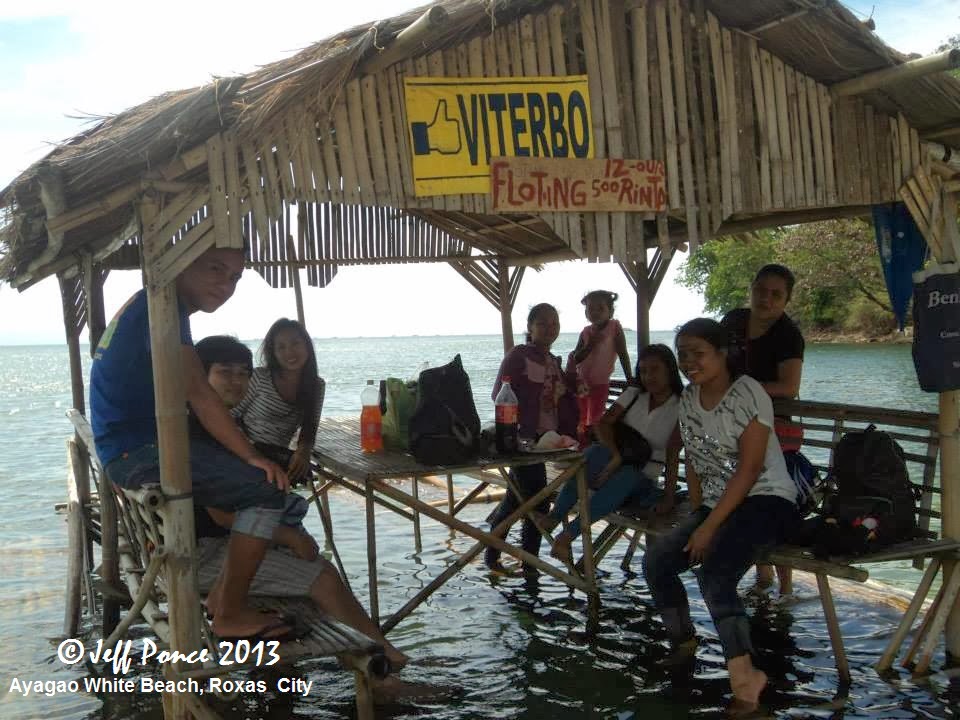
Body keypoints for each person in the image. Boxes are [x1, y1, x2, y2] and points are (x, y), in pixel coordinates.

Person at [90, 246, 302, 642]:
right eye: (215, 269)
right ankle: (229, 612)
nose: (226, 285)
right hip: (135, 450)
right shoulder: (163, 307)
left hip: (125, 444)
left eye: (236, 277)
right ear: (181, 263)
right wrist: (252, 455)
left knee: (258, 481)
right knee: (264, 489)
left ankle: (223, 599)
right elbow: (199, 395)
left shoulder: (156, 302)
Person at [192, 335, 410, 672]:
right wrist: (290, 537)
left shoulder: (202, 425)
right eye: (225, 372)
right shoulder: (207, 436)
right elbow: (221, 517)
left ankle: (371, 656)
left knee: (306, 557)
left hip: (193, 545)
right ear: (199, 377)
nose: (237, 382)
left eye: (243, 374)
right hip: (201, 555)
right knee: (321, 575)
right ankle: (386, 668)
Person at [643, 318, 800, 715]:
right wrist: (700, 516)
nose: (689, 362)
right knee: (658, 561)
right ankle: (684, 643)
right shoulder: (690, 400)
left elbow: (748, 472)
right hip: (720, 505)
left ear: (722, 353)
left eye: (698, 353)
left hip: (767, 501)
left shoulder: (748, 394)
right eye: (682, 356)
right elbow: (695, 463)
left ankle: (746, 677)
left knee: (714, 572)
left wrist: (710, 528)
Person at [534, 344, 683, 564]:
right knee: (592, 454)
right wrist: (616, 456)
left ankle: (567, 535)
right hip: (613, 464)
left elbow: (672, 455)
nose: (648, 376)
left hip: (642, 478)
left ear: (670, 370)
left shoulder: (681, 406)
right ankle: (555, 517)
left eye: (655, 369)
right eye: (643, 371)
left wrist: (669, 498)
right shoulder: (634, 395)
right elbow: (603, 424)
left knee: (627, 476)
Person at [722, 264, 805, 595]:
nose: (766, 299)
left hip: (774, 430)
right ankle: (763, 574)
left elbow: (789, 386)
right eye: (761, 291)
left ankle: (785, 586)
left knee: (772, 500)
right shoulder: (732, 322)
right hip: (734, 426)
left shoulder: (788, 334)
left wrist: (743, 388)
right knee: (746, 499)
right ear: (751, 289)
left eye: (776, 294)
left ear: (786, 300)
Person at [484, 303, 578, 574]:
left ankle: (496, 557)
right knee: (536, 502)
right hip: (525, 440)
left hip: (547, 441)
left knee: (517, 499)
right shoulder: (518, 356)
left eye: (554, 323)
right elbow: (498, 395)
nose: (550, 328)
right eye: (543, 323)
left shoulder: (552, 360)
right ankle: (529, 566)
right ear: (530, 327)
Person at [232, 318, 325, 484]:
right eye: (281, 347)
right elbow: (230, 416)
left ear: (307, 346)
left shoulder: (316, 385)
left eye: (295, 343)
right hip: (242, 454)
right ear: (273, 352)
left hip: (277, 459)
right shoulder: (260, 378)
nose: (289, 352)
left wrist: (303, 452)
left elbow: (310, 427)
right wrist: (249, 451)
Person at [571, 290, 632, 443]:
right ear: (585, 312)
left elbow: (622, 353)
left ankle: (594, 447)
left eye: (600, 308)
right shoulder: (585, 332)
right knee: (580, 418)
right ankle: (581, 447)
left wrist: (630, 377)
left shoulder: (614, 328)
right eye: (591, 309)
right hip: (581, 383)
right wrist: (589, 345)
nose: (595, 312)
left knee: (596, 419)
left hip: (601, 383)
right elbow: (575, 358)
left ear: (610, 312)